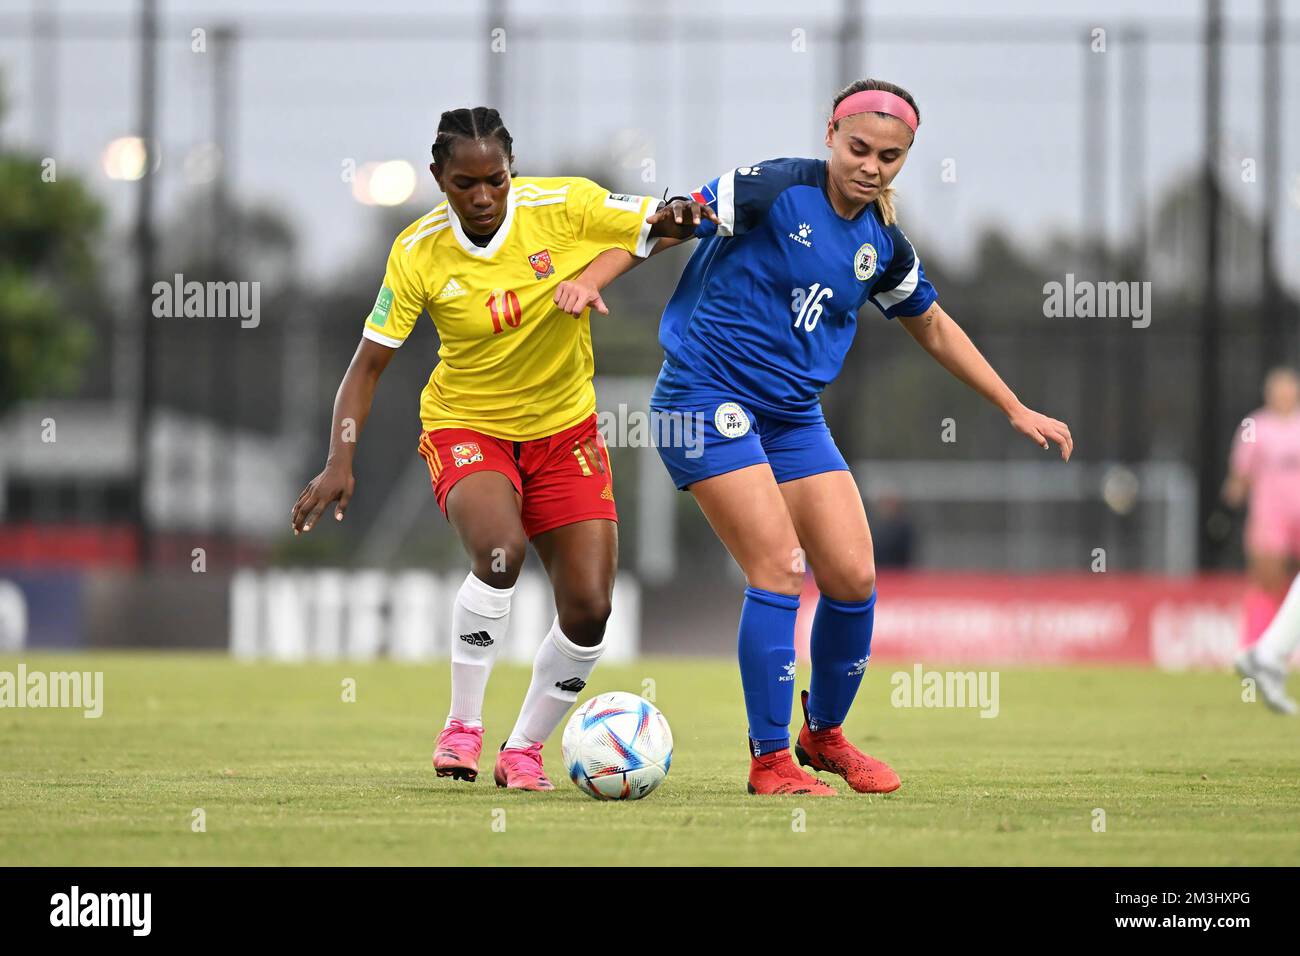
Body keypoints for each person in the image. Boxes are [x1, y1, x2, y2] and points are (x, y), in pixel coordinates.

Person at [556, 79, 1073, 795]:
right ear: (830, 134)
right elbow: (667, 224)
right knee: (777, 567)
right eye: (858, 147)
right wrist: (588, 278)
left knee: (855, 579)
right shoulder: (771, 188)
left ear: (904, 159)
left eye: (889, 157)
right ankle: (769, 760)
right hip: (705, 399)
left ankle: (822, 736)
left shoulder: (882, 244)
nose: (871, 165)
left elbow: (933, 323)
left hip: (793, 415)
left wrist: (1013, 405)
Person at [290, 107, 703, 790]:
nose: (482, 198)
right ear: (437, 179)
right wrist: (341, 461)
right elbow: (366, 367)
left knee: (591, 609)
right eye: (464, 184)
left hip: (565, 429)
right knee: (500, 553)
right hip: (467, 426)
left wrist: (663, 226)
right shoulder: (418, 250)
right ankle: (463, 726)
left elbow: (664, 225)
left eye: (495, 180)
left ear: (512, 172)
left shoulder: (564, 205)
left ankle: (523, 749)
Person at [1226, 367, 1300, 713]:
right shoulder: (1255, 426)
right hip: (1270, 517)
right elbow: (1239, 476)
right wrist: (1226, 513)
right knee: (1268, 582)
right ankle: (1259, 649)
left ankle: (1266, 654)